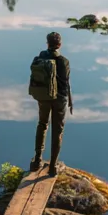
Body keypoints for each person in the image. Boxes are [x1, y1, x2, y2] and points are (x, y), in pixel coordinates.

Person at [31, 31, 72, 175]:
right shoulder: (64, 61)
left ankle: (37, 160)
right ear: (59, 45)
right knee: (57, 130)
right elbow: (66, 83)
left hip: (44, 98)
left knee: (42, 125)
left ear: (47, 43)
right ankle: (53, 166)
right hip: (59, 100)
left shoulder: (40, 57)